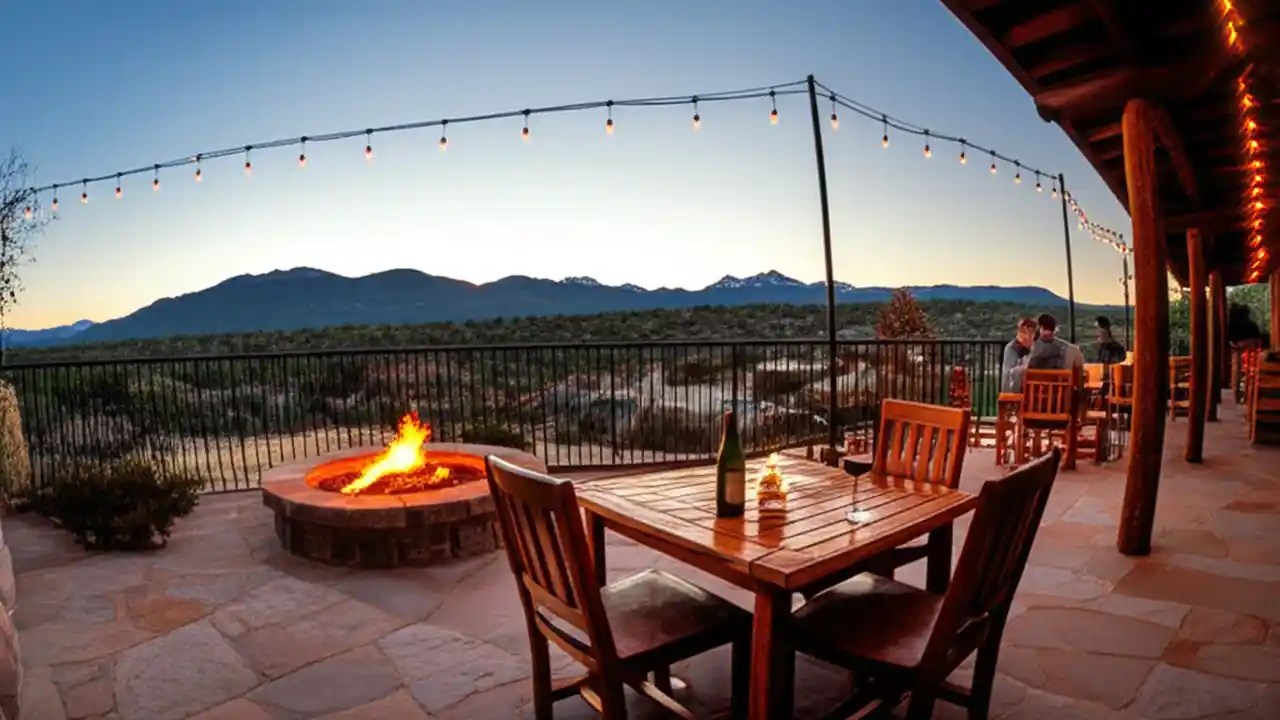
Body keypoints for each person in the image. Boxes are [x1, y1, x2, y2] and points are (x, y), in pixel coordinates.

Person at [1001, 317, 1037, 392]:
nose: (1027, 336)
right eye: (1024, 332)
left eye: (1031, 333)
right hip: (1014, 391)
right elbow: (1009, 375)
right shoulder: (1012, 348)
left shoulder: (1035, 347)